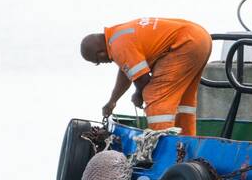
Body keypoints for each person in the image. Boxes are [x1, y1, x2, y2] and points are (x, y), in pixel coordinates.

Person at [81, 18, 213, 136]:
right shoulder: (118, 35)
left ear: (101, 53)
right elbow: (126, 72)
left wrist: (139, 94)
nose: (101, 63)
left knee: (155, 95)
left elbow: (143, 79)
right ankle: (186, 143)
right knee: (184, 99)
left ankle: (163, 144)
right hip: (200, 38)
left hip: (185, 43)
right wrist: (112, 101)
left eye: (97, 61)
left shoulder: (119, 47)